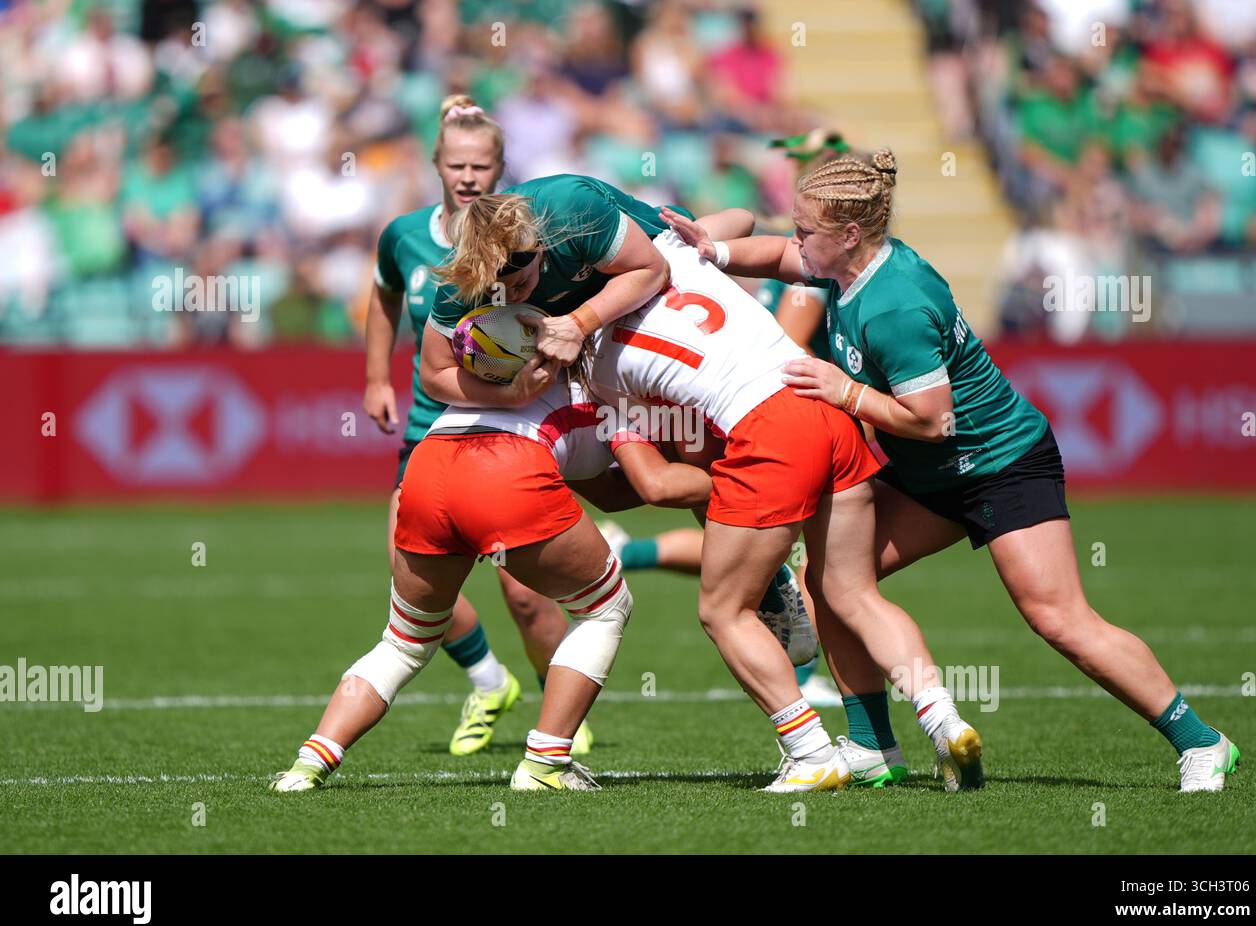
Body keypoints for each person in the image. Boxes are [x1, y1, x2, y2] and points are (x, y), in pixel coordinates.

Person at [672, 151, 1240, 792]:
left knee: (1058, 619)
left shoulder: (894, 309)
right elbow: (778, 256)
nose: (795, 240)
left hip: (1000, 464)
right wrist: (712, 253)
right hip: (928, 472)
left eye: (806, 230)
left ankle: (1201, 741)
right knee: (829, 582)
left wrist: (841, 390)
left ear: (850, 235)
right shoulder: (850, 264)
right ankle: (871, 746)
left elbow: (932, 420)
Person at [431, 182, 985, 792]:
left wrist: (563, 450)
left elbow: (650, 483)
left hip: (771, 435)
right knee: (853, 595)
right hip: (826, 405)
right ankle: (941, 722)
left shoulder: (594, 368)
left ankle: (809, 753)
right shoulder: (680, 250)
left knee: (723, 611)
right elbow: (740, 219)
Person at [271, 377, 716, 792]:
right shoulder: (618, 392)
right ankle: (546, 763)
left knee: (405, 642)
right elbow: (658, 487)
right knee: (604, 608)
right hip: (505, 472)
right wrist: (739, 482)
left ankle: (308, 764)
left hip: (427, 470)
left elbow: (610, 493)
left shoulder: (550, 371)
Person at [363, 94, 584, 757]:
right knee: (411, 582)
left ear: (500, 167)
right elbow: (382, 295)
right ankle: (489, 681)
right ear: (435, 163)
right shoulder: (404, 237)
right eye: (456, 164)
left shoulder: (526, 244)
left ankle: (561, 716)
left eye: (480, 166)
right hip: (432, 431)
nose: (467, 177)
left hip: (511, 433)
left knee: (527, 597)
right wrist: (377, 376)